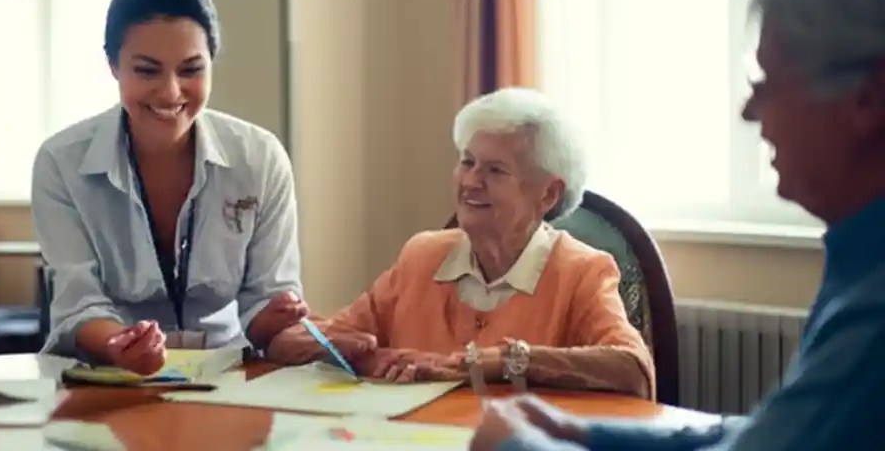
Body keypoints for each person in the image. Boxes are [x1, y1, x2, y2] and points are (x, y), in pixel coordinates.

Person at [469, 0, 885, 451]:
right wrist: (585, 435)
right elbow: (769, 442)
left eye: (768, 84)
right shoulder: (861, 263)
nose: (749, 111)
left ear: (867, 99)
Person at [267, 88, 653, 398]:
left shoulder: (580, 271)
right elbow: (326, 340)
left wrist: (501, 362)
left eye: (495, 170)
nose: (470, 181)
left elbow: (634, 369)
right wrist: (309, 339)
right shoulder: (423, 256)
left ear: (548, 194)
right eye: (467, 163)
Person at [34, 0, 308, 373]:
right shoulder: (62, 163)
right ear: (113, 64)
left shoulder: (260, 159)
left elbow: (269, 302)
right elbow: (78, 304)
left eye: (191, 70)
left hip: (229, 378)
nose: (170, 92)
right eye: (147, 70)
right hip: (108, 379)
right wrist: (119, 345)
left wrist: (279, 321)